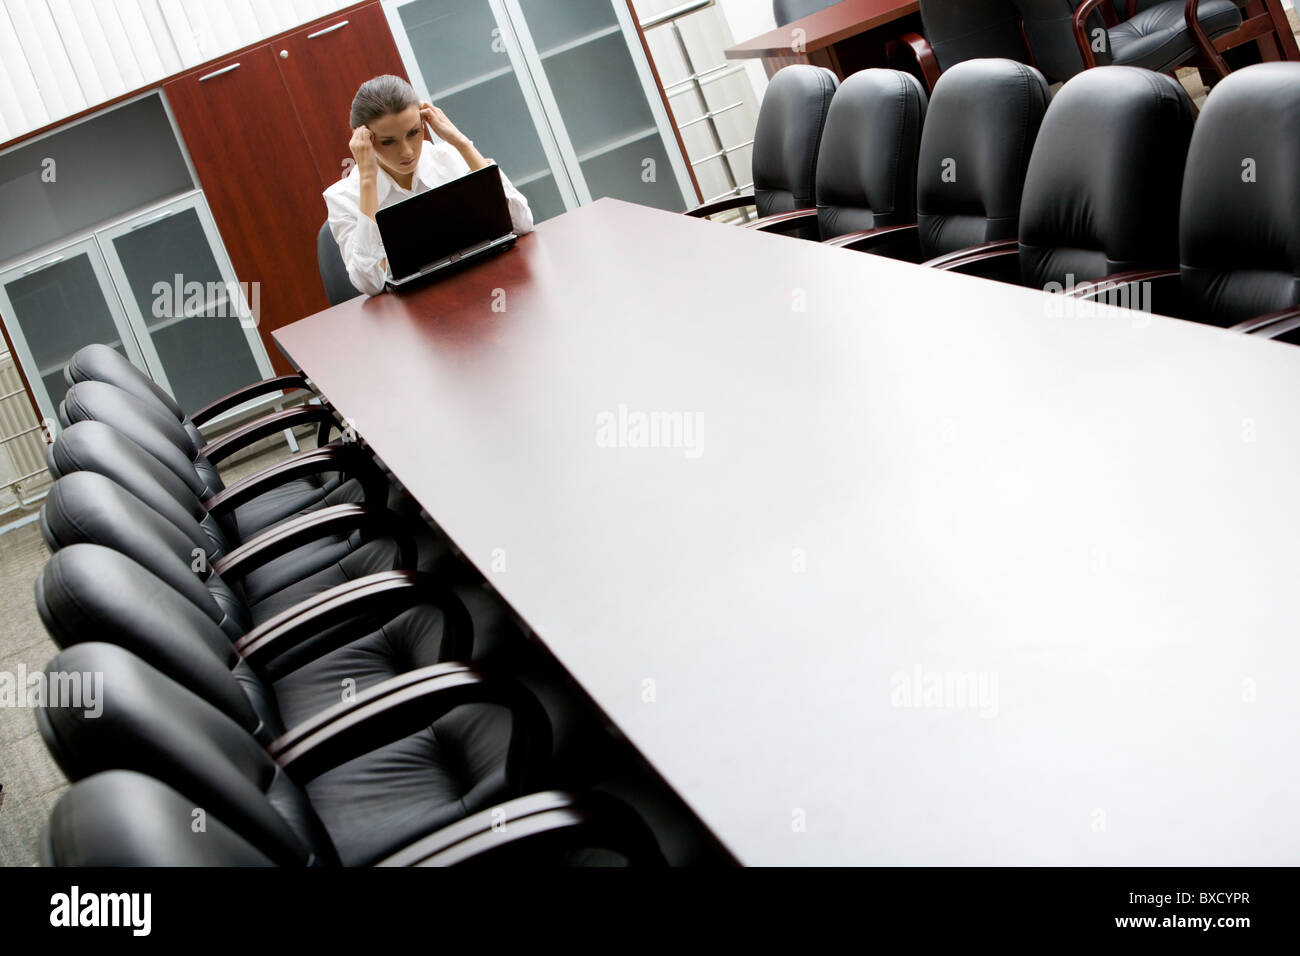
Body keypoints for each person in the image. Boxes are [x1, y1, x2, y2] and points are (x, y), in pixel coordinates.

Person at [324, 74, 534, 296]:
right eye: (388, 141)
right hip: (413, 312)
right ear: (362, 140)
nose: (406, 151)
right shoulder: (343, 197)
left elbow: (522, 224)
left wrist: (462, 144)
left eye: (413, 132)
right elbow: (370, 284)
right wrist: (368, 179)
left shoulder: (448, 157)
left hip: (483, 287)